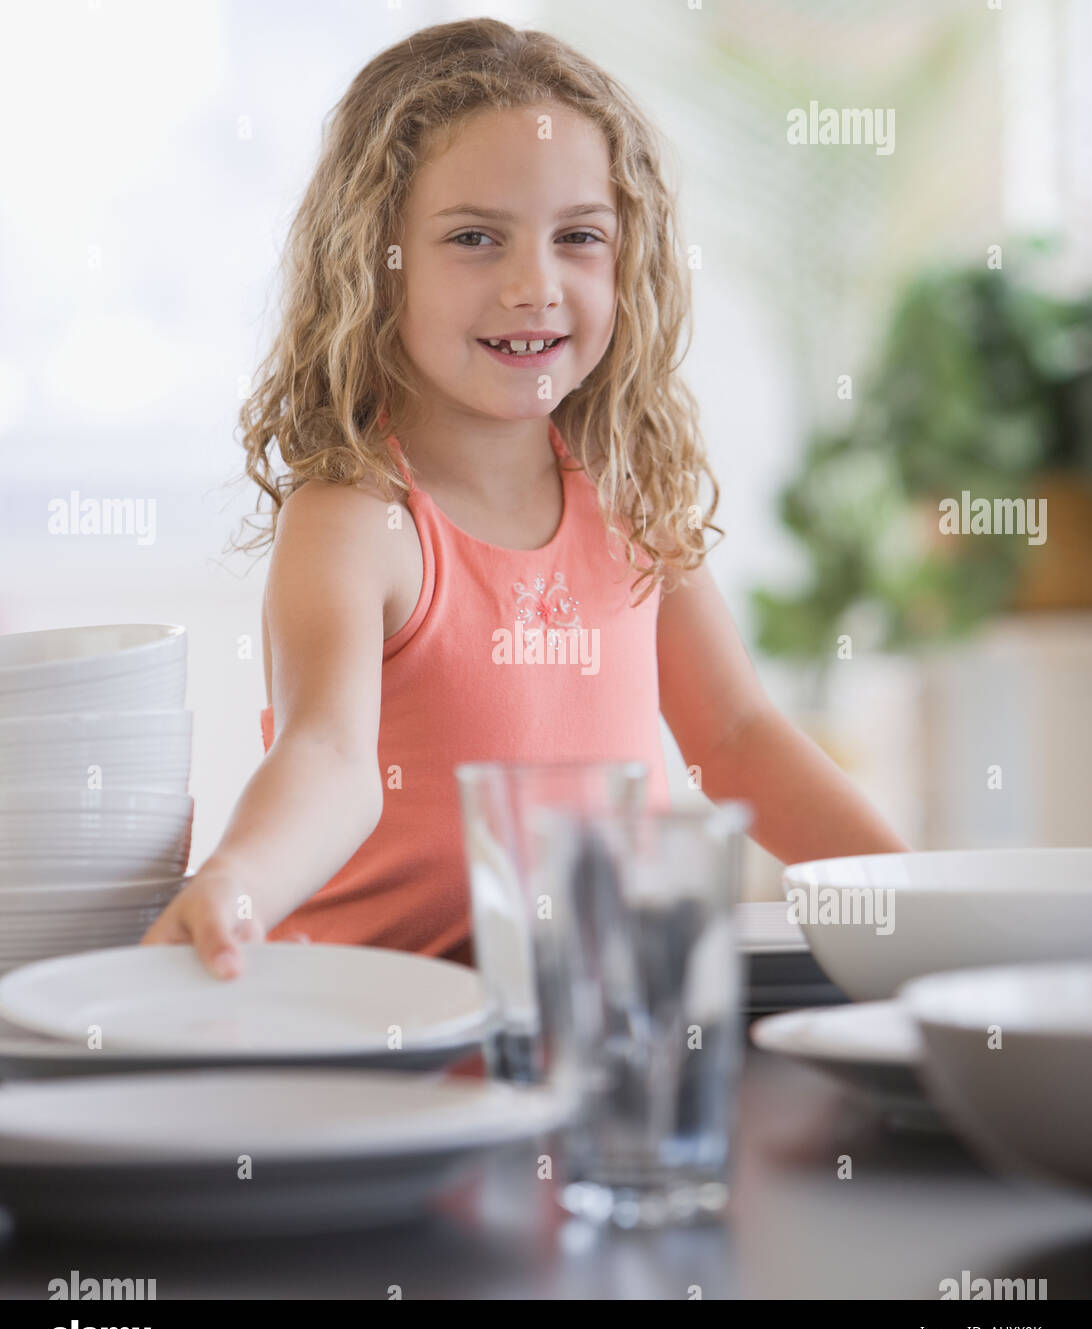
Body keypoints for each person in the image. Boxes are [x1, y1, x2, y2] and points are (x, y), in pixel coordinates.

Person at [142, 18, 908, 979]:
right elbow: (331, 761)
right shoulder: (358, 519)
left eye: (579, 237)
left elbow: (737, 736)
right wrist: (237, 881)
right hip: (383, 1026)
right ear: (375, 265)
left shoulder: (632, 491)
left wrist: (913, 897)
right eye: (474, 238)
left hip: (590, 1019)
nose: (533, 285)